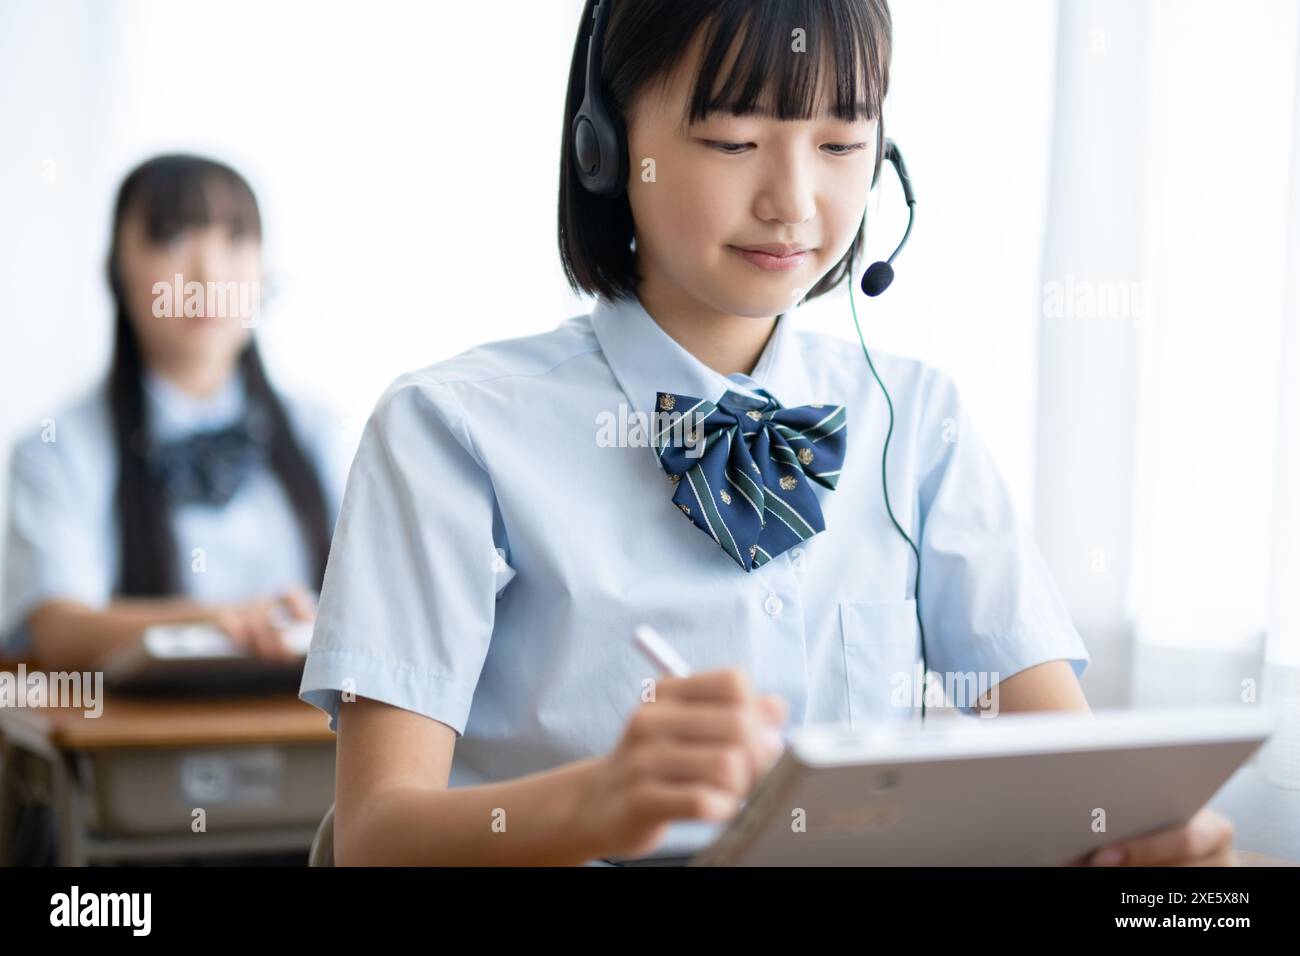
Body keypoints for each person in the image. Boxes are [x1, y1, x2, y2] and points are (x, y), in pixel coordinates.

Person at [300, 0, 1235, 866]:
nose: (794, 200)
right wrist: (599, 803)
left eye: (840, 142)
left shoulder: (918, 422)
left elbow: (1065, 767)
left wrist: (1140, 836)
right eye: (733, 138)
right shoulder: (450, 429)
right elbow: (376, 838)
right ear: (607, 147)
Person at [1, 154, 347, 673]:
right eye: (173, 238)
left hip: (319, 743)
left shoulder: (321, 430)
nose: (209, 275)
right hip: (136, 749)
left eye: (235, 240)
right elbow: (58, 629)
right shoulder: (57, 446)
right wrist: (225, 622)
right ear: (118, 269)